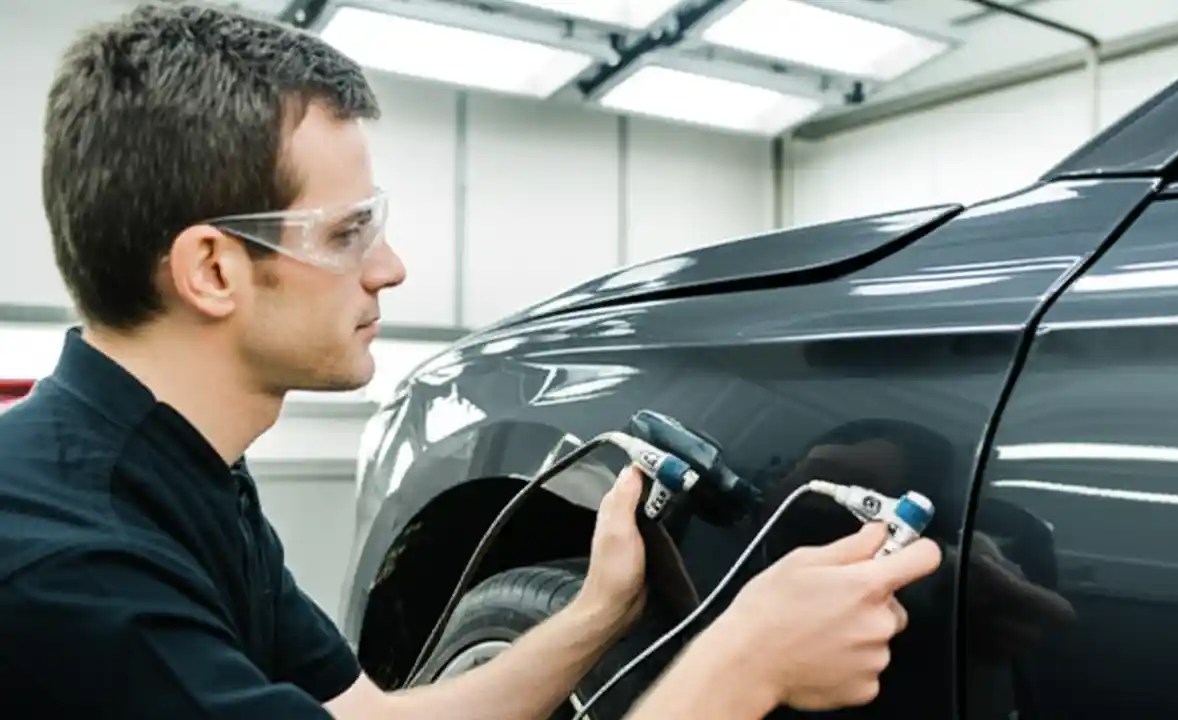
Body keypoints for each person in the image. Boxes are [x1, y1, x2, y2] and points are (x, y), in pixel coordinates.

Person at [0, 2, 942, 718]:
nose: (390, 268)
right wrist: (747, 663)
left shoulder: (179, 472)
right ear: (212, 268)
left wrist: (597, 615)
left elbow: (366, 715)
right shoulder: (75, 574)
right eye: (346, 232)